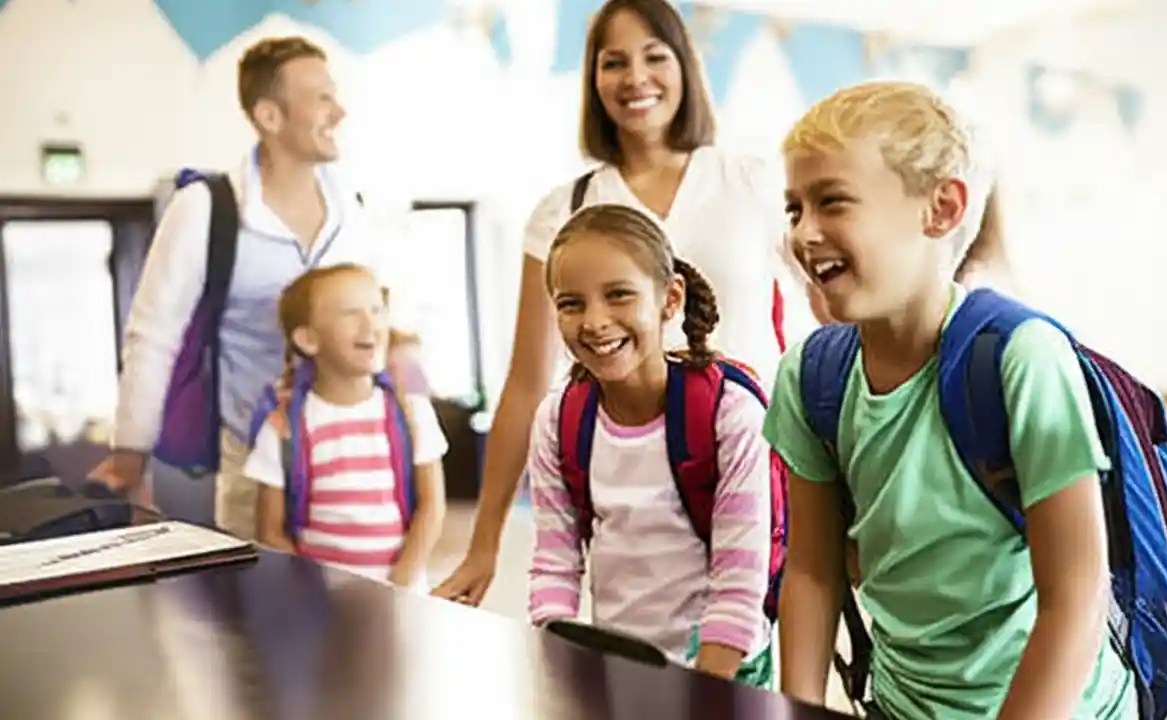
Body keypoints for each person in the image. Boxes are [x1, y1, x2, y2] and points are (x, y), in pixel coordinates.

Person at [765, 82, 1137, 718]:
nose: (805, 232)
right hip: (903, 703)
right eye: (795, 208)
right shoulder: (810, 377)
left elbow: (1076, 598)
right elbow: (812, 573)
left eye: (833, 202)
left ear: (940, 208)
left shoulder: (1022, 359)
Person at [434, 0, 817, 607]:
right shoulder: (564, 209)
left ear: (685, 65)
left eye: (654, 56)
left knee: (754, 643)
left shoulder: (751, 182)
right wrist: (484, 545)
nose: (635, 77)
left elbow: (832, 310)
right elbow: (526, 383)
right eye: (614, 63)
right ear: (593, 80)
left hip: (758, 475)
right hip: (634, 496)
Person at [89, 36, 376, 540]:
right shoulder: (206, 208)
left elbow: (379, 320)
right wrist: (130, 452)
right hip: (250, 456)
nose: (340, 111)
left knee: (359, 586)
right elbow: (154, 335)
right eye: (322, 98)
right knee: (259, 587)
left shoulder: (351, 208)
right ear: (269, 116)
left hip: (347, 453)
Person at [525, 203, 775, 685]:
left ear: (670, 298)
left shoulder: (729, 413)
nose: (594, 321)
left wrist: (704, 694)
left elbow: (739, 583)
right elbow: (554, 566)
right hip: (620, 667)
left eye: (618, 295)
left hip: (725, 668)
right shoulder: (558, 419)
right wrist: (558, 672)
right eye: (571, 303)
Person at [244, 264, 448, 593]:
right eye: (350, 313)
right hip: (321, 607)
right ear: (308, 339)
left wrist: (396, 587)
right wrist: (314, 596)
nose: (371, 324)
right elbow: (270, 533)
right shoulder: (283, 430)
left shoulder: (413, 413)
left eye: (377, 310)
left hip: (400, 601)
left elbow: (432, 508)